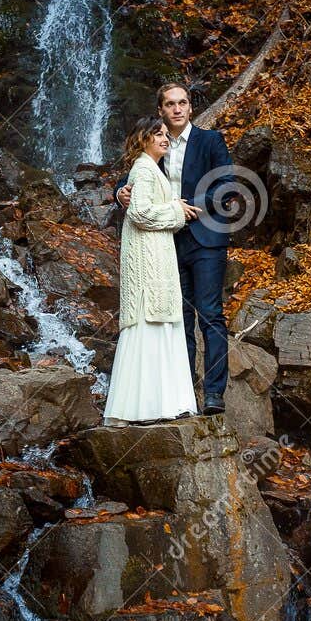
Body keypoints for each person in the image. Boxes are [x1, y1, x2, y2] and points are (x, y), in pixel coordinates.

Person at [115, 83, 235, 414]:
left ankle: (213, 394)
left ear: (191, 107)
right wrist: (119, 194)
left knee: (210, 315)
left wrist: (187, 207)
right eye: (170, 104)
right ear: (161, 110)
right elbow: (129, 180)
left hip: (206, 241)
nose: (177, 109)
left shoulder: (210, 141)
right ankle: (183, 396)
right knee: (176, 320)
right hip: (165, 245)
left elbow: (228, 185)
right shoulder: (155, 143)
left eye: (183, 102)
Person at [102, 117, 201, 424]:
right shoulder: (143, 170)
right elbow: (140, 213)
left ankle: (159, 405)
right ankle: (145, 407)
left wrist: (174, 205)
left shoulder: (151, 170)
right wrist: (176, 210)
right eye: (156, 134)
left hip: (157, 258)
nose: (164, 138)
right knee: (149, 324)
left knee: (159, 324)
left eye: (164, 134)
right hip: (148, 264)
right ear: (143, 139)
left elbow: (144, 210)